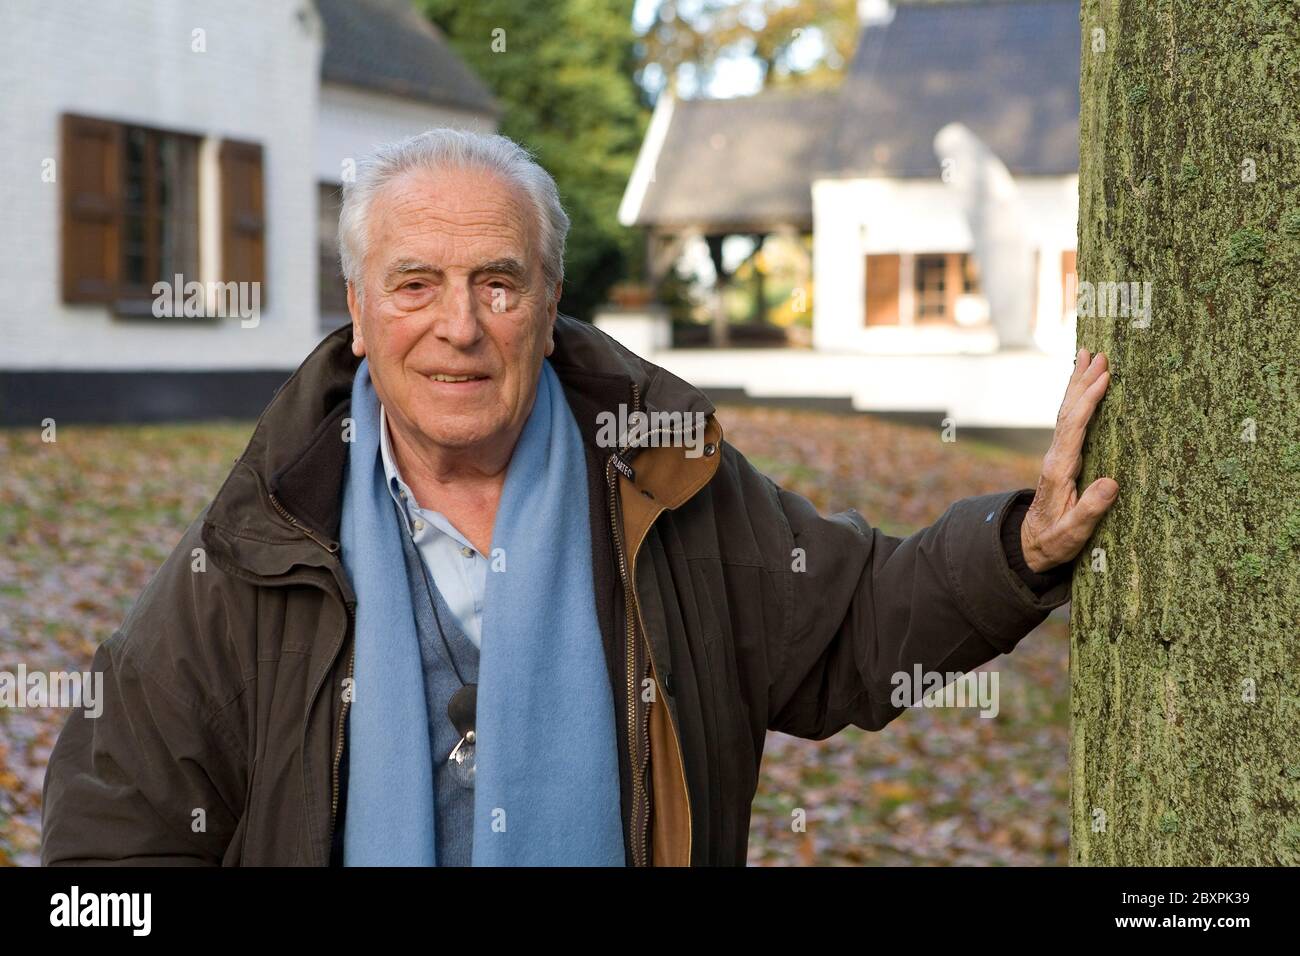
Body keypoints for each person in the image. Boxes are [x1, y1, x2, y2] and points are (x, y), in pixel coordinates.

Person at [41, 128, 1117, 866]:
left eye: (497, 283)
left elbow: (858, 619)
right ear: (360, 314)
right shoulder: (263, 534)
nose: (458, 325)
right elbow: (118, 824)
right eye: (415, 284)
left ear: (547, 307)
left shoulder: (662, 483)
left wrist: (1019, 543)